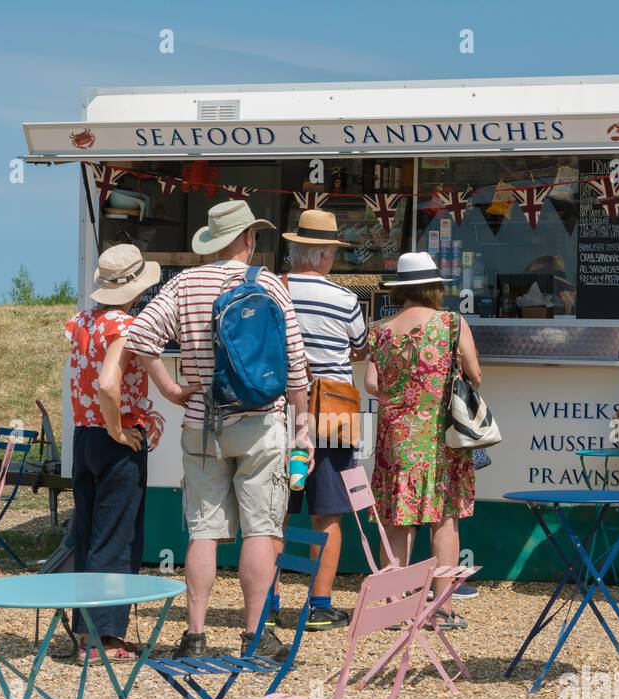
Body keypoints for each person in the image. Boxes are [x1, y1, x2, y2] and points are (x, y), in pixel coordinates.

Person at [120, 200, 311, 660]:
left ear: (212, 240)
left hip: (202, 424)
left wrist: (168, 387)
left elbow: (140, 336)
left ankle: (196, 636)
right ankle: (254, 636)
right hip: (261, 422)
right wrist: (303, 424)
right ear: (248, 238)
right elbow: (296, 362)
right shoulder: (267, 284)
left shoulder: (183, 283)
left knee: (203, 532)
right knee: (261, 530)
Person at [65, 244, 191, 661]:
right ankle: (106, 639)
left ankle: (86, 632)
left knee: (88, 533)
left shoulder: (83, 321)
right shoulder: (126, 325)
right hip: (114, 437)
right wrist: (119, 429)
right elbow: (108, 383)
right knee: (117, 536)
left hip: (84, 437)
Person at [365, 251, 479, 629]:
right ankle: (442, 608)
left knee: (397, 521)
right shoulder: (451, 324)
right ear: (434, 287)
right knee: (444, 521)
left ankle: (394, 607)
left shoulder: (380, 329)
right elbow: (475, 375)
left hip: (395, 438)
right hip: (439, 438)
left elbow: (370, 383)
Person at [270, 208, 367, 631]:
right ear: (326, 256)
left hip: (279, 412)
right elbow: (360, 347)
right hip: (334, 415)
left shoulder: (274, 291)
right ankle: (319, 605)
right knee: (328, 512)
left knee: (274, 512)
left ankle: (267, 601)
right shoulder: (345, 300)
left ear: (295, 252)